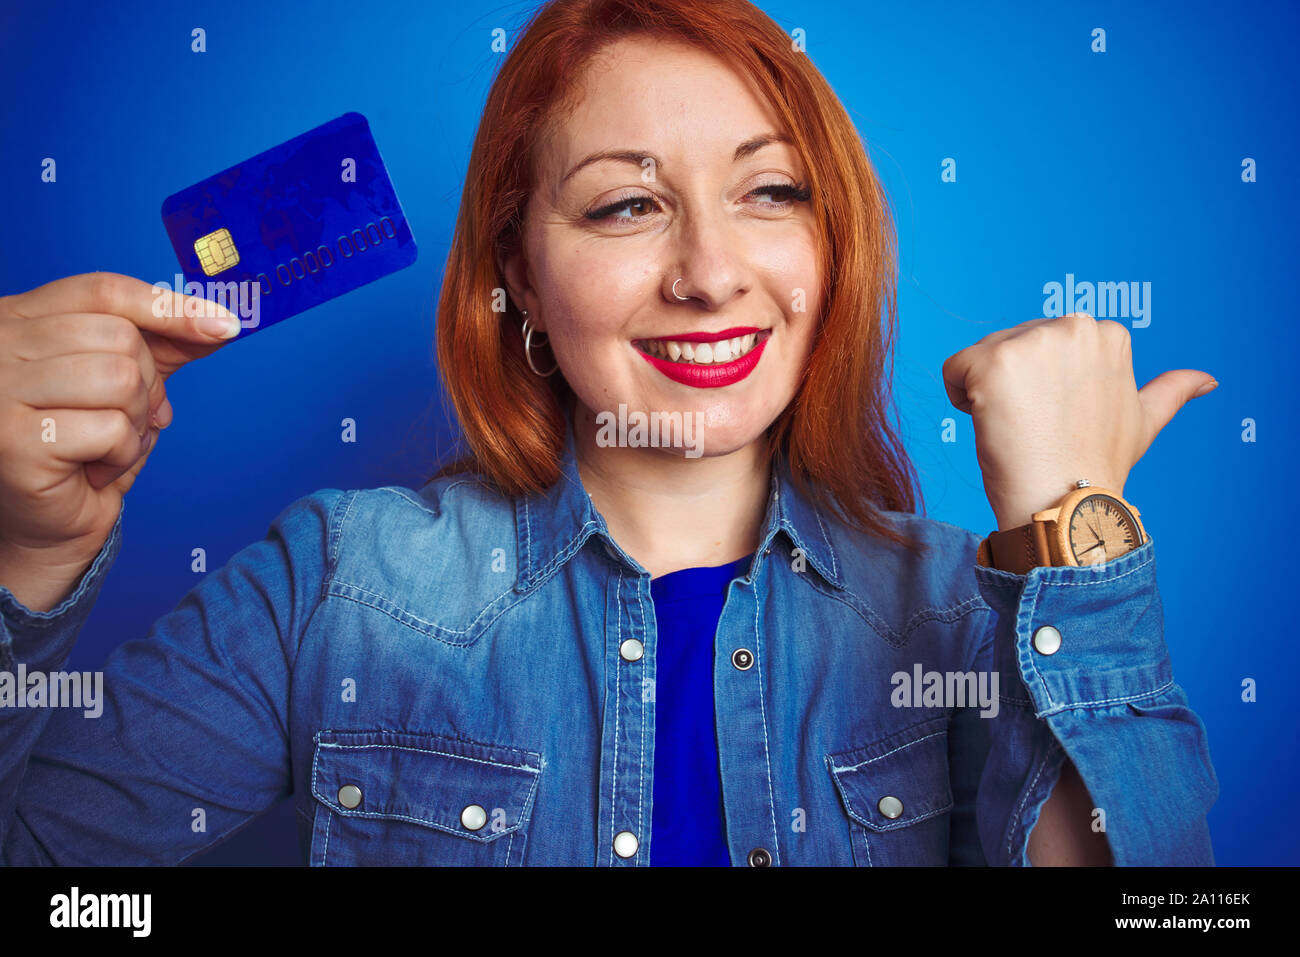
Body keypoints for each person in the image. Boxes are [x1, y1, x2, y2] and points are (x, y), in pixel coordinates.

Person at [0, 0, 1217, 866]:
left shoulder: (972, 610)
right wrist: (23, 561)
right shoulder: (334, 590)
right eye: (627, 204)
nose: (708, 273)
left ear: (830, 243)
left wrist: (1069, 540)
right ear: (519, 277)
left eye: (769, 191)